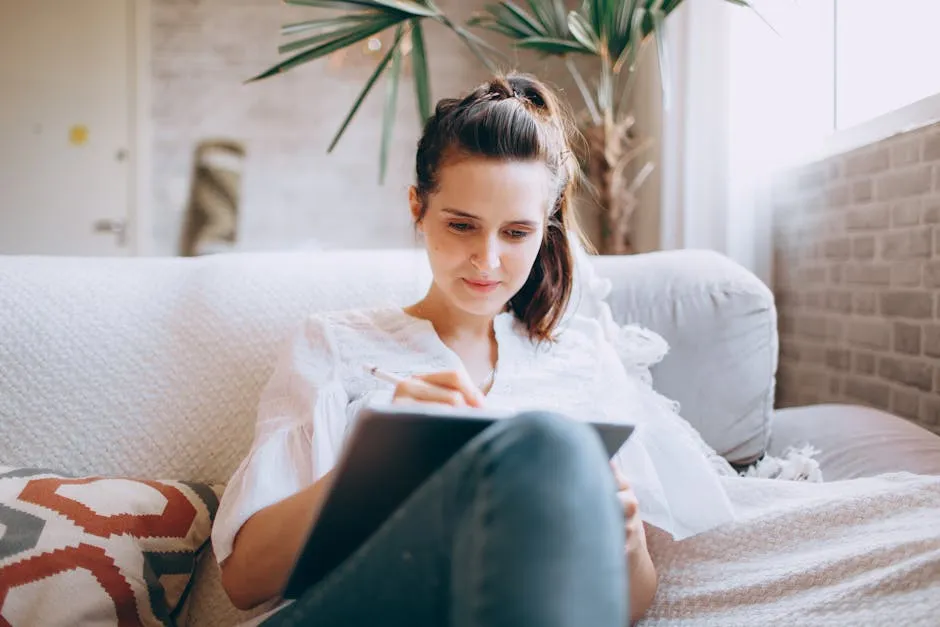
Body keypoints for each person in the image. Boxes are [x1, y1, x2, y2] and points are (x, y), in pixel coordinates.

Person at [212, 73, 735, 627]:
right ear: (418, 207)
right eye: (462, 226)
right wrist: (377, 465)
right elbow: (243, 582)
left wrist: (627, 543)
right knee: (547, 439)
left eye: (515, 234)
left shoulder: (582, 359)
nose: (486, 260)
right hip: (355, 610)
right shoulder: (336, 344)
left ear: (546, 227)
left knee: (550, 443)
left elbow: (625, 608)